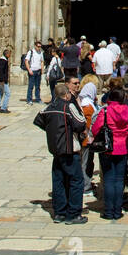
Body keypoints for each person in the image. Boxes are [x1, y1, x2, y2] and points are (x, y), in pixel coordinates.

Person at [34, 81, 87, 225]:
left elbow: (39, 120)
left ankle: (59, 213)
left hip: (56, 149)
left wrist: (53, 131)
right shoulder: (68, 106)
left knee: (58, 181)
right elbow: (81, 123)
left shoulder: (49, 107)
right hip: (69, 149)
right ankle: (74, 214)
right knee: (76, 181)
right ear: (66, 94)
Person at [91, 87, 128, 220]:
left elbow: (96, 128)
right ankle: (117, 210)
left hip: (108, 148)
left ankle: (109, 211)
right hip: (123, 147)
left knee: (109, 179)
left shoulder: (105, 111)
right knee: (119, 180)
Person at [24, 40, 45, 104]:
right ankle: (29, 99)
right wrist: (29, 69)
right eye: (38, 46)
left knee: (38, 86)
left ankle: (38, 98)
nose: (39, 48)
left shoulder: (41, 52)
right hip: (32, 70)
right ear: (35, 46)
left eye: (40, 46)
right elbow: (26, 61)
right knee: (31, 86)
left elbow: (42, 61)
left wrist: (42, 69)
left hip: (38, 71)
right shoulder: (31, 52)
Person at [0, 48, 12, 113]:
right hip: (2, 80)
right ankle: (4, 107)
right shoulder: (3, 61)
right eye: (9, 54)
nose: (10, 55)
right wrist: (2, 80)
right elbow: (0, 71)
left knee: (0, 92)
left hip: (0, 80)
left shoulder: (2, 60)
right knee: (7, 93)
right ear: (6, 54)